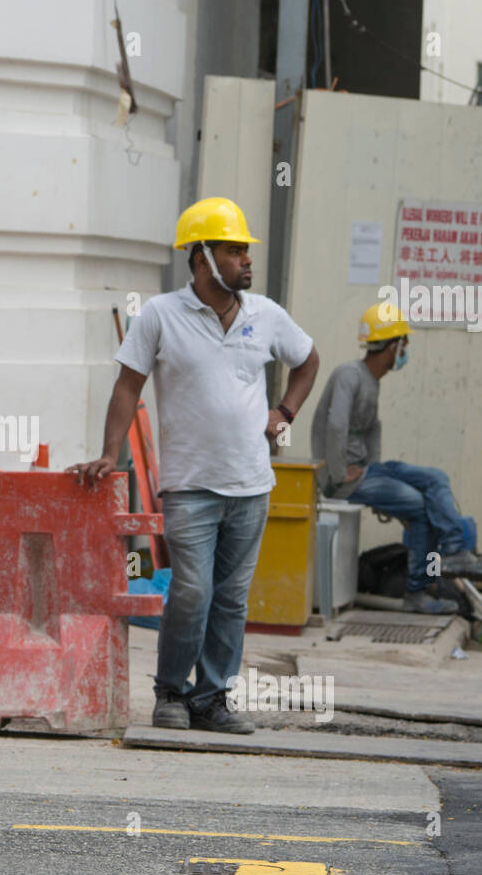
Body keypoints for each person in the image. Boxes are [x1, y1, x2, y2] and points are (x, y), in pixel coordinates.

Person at [71, 197, 319, 733]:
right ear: (202, 257)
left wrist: (285, 411)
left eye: (246, 251)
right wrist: (109, 456)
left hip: (251, 484)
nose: (246, 261)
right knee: (191, 591)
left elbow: (307, 359)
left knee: (230, 598)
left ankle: (212, 699)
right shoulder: (161, 315)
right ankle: (170, 692)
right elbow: (127, 387)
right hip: (189, 486)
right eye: (235, 251)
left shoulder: (266, 315)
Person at [310, 303, 482, 614]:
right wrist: (336, 472)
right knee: (420, 507)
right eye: (404, 343)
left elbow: (372, 431)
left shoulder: (370, 381)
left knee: (435, 478)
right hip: (342, 478)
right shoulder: (349, 374)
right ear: (393, 344)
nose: (406, 350)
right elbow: (335, 425)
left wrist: (376, 472)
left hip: (367, 472)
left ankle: (454, 550)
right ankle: (417, 591)